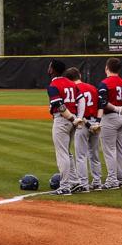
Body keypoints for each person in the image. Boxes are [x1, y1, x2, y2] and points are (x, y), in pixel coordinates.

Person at [45, 60, 82, 194]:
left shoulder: (53, 85)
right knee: (67, 153)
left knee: (62, 154)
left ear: (53, 70)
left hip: (62, 120)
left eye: (50, 66)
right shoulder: (72, 83)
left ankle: (65, 186)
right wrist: (78, 117)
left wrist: (72, 118)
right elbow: (81, 100)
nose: (48, 68)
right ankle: (75, 181)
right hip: (72, 121)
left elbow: (59, 105)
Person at [97, 58, 122, 190]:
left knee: (110, 150)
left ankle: (112, 179)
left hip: (110, 117)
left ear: (107, 68)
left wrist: (115, 108)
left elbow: (103, 102)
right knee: (120, 148)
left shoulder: (105, 83)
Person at [71, 69, 101, 192]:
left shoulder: (74, 89)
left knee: (81, 156)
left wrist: (87, 124)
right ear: (79, 75)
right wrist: (97, 122)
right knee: (94, 154)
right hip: (95, 122)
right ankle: (97, 182)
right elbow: (100, 105)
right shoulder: (92, 87)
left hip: (83, 123)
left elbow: (77, 110)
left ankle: (83, 184)